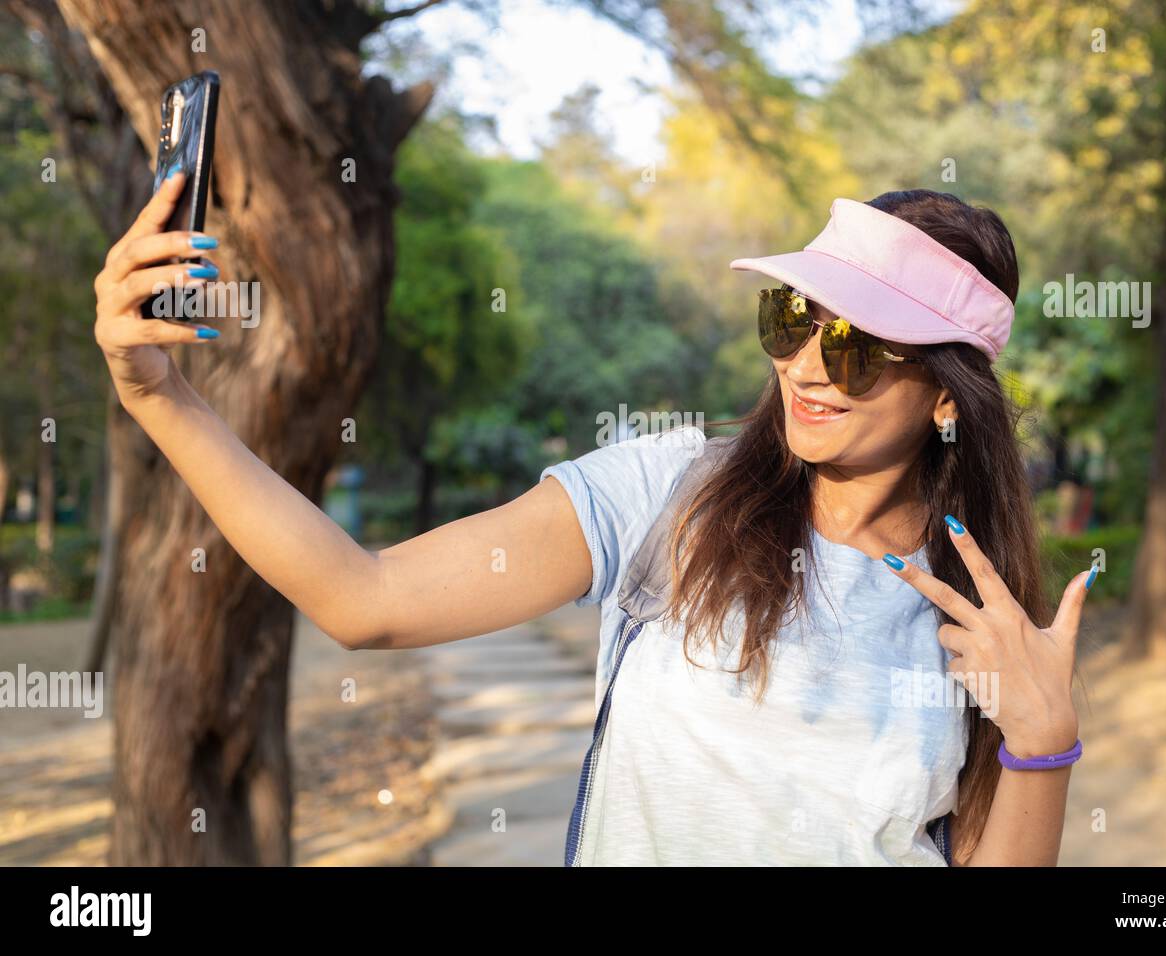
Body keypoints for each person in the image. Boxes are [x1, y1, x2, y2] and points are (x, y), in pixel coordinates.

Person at [94, 175, 1092, 866]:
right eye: (791, 319)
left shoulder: (979, 612)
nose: (806, 365)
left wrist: (1041, 737)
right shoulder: (670, 495)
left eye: (859, 345)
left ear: (949, 395)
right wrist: (159, 397)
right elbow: (366, 599)